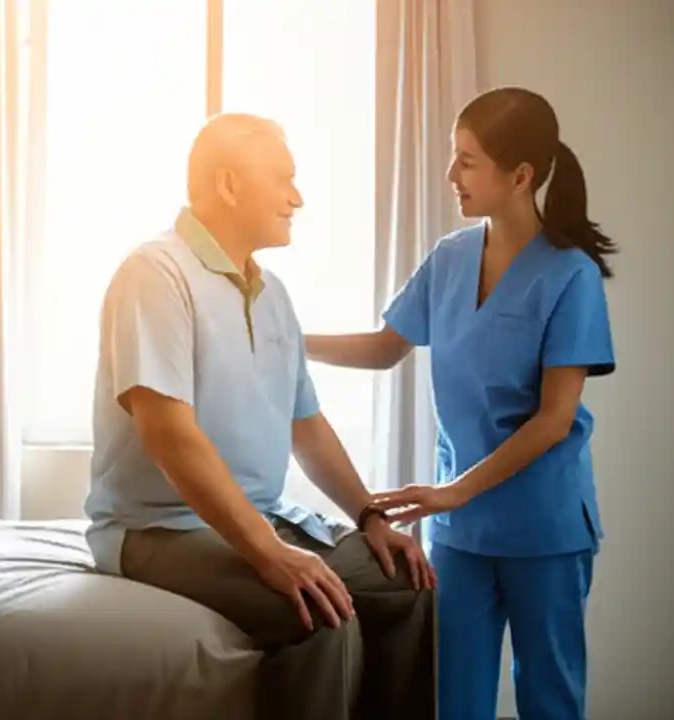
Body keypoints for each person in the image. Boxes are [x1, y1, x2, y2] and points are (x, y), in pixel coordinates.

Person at [83, 112, 437, 720]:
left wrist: (369, 515)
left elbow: (308, 426)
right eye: (283, 178)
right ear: (228, 184)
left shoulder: (273, 294)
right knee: (322, 611)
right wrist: (268, 552)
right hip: (158, 531)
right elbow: (168, 434)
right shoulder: (155, 273)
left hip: (258, 519)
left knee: (408, 587)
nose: (297, 198)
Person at [305, 87, 617, 720]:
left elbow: (554, 420)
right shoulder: (449, 259)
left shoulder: (570, 275)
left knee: (549, 702)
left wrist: (455, 492)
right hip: (460, 533)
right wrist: (288, 338)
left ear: (521, 175)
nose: (451, 175)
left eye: (467, 161)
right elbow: (386, 347)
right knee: (454, 702)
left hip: (543, 525)